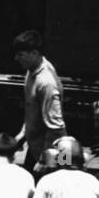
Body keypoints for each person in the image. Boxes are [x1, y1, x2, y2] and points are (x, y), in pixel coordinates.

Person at [12, 30, 65, 172]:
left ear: (34, 53)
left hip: (53, 150)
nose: (16, 59)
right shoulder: (31, 70)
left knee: (56, 184)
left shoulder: (47, 83)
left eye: (20, 55)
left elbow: (57, 127)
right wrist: (22, 136)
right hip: (37, 146)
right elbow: (32, 110)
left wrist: (44, 160)